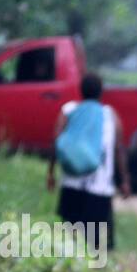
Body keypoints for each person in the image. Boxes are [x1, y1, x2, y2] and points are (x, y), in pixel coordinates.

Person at [47, 72, 130, 254]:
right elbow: (118, 150)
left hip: (70, 185)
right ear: (101, 92)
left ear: (81, 91)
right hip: (100, 188)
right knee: (98, 245)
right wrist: (124, 180)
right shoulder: (110, 115)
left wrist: (51, 173)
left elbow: (57, 143)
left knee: (70, 240)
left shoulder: (67, 110)